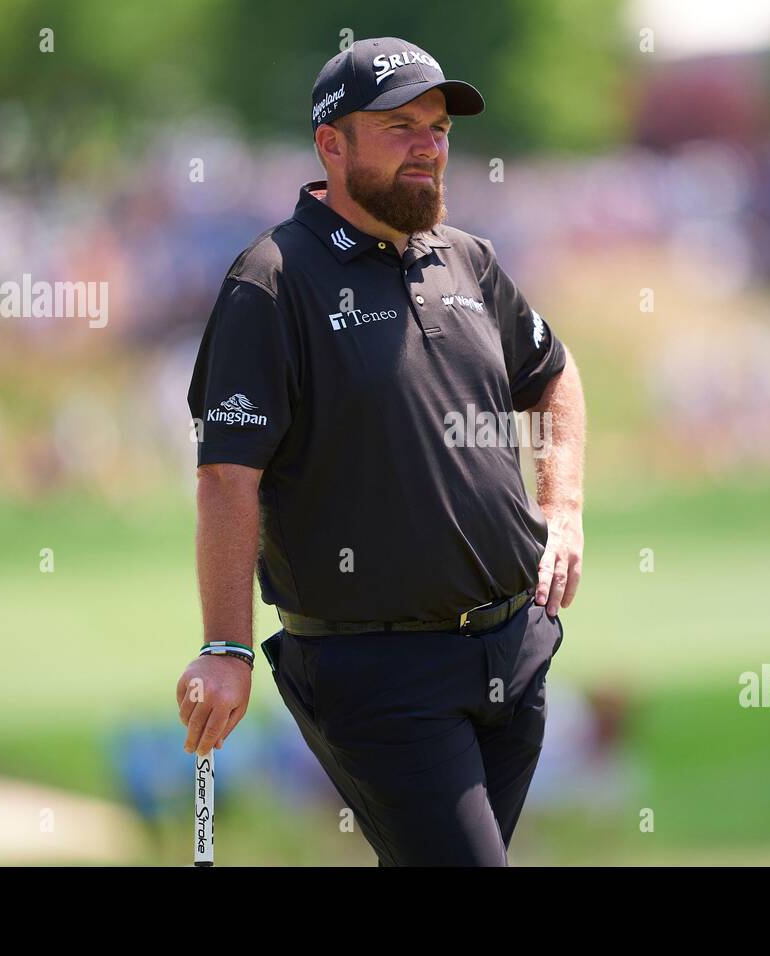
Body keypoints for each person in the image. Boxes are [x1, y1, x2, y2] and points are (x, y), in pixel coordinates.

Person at [175, 37, 586, 866]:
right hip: (379, 671)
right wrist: (225, 646)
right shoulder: (272, 280)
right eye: (400, 127)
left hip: (514, 654)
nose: (428, 146)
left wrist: (563, 507)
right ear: (333, 144)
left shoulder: (466, 260)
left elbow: (554, 374)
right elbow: (227, 475)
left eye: (437, 128)